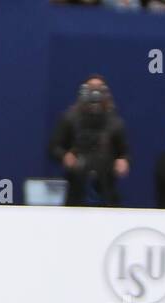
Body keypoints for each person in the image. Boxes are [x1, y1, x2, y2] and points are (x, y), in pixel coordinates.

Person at [48, 75, 130, 207]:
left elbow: (124, 152)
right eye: (91, 89)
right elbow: (54, 147)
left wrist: (123, 161)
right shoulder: (70, 119)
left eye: (99, 89)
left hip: (106, 187)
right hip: (77, 185)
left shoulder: (115, 123)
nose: (95, 94)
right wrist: (64, 156)